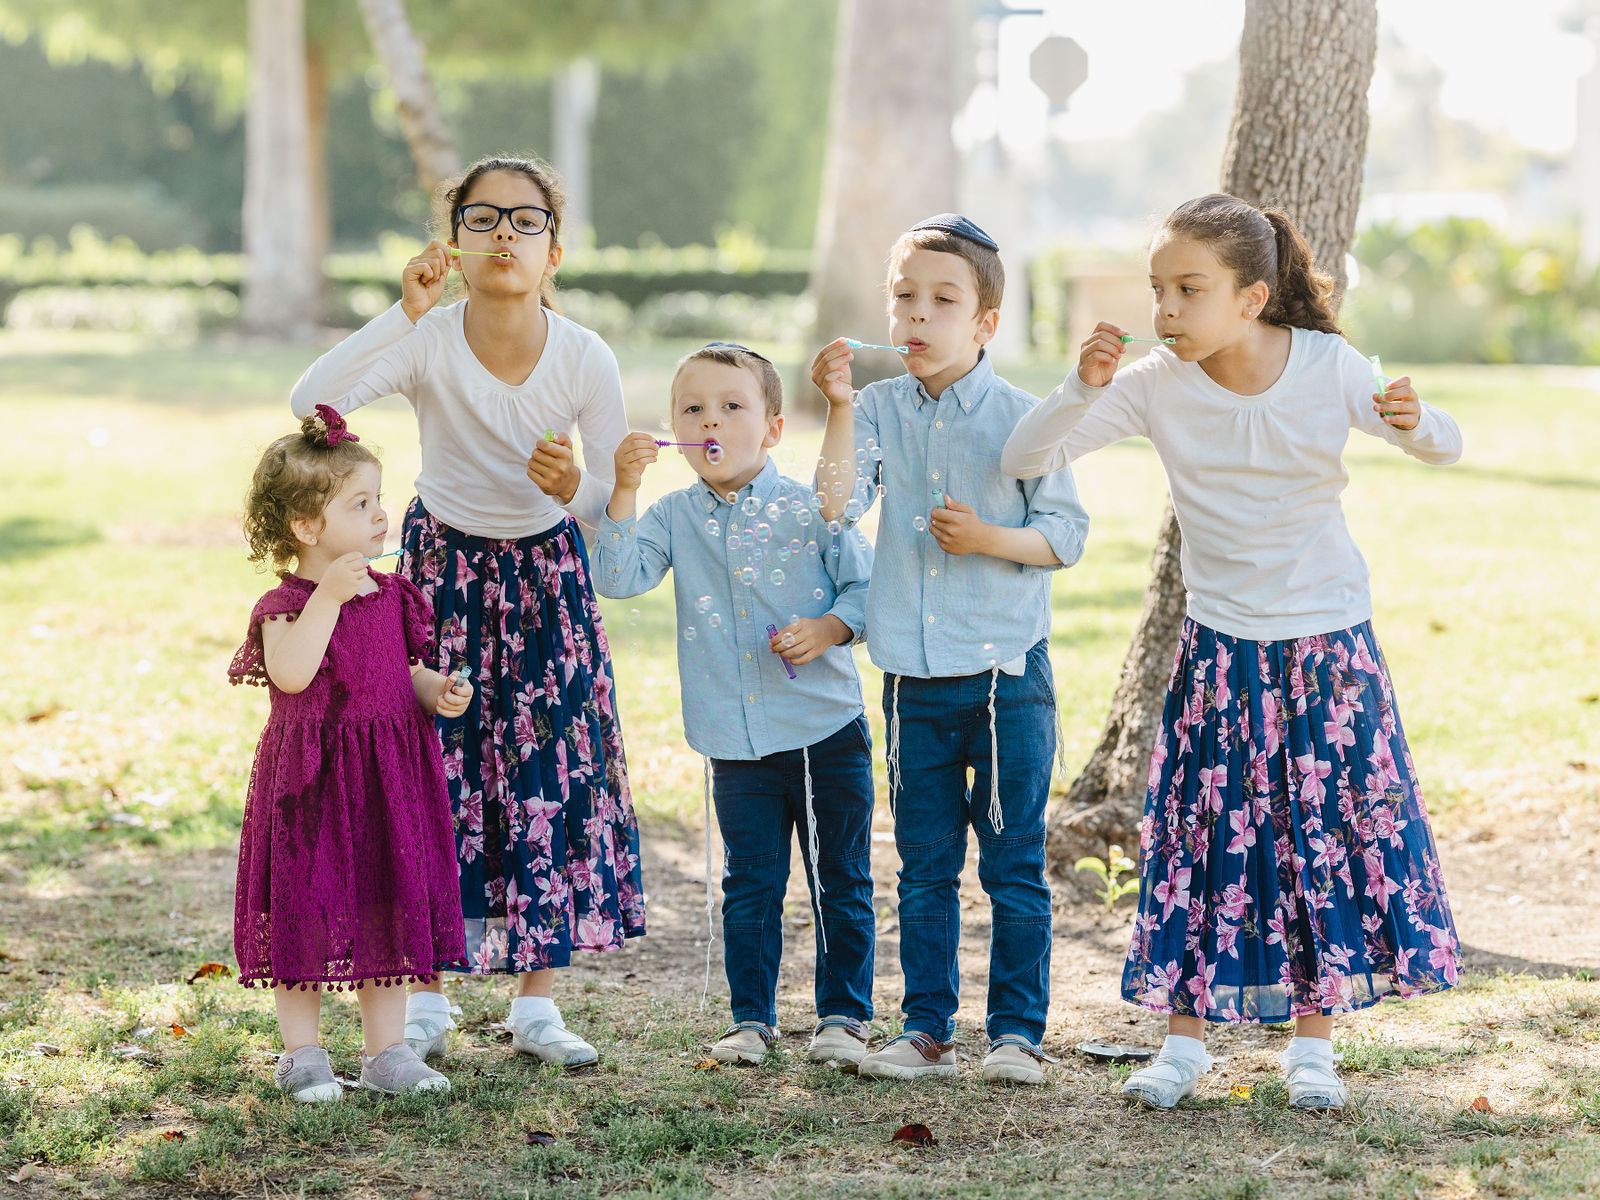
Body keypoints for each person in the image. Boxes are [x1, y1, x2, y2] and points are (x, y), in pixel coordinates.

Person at [1001, 193, 1464, 1109]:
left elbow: (1445, 446)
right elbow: (1025, 456)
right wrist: (1081, 387)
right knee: (1204, 843)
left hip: (1328, 645)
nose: (1164, 310)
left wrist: (1414, 420)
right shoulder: (1150, 383)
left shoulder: (1329, 366)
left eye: (1188, 289)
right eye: (1157, 290)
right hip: (1222, 651)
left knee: (1317, 841)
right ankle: (1182, 1046)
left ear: (1251, 299)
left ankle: (1313, 1050)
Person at [289, 155, 645, 1070]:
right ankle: (425, 998)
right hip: (440, 575)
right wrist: (401, 312)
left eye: (525, 222)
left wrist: (580, 487)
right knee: (430, 773)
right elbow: (312, 404)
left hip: (545, 583)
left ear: (554, 251)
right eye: (482, 219)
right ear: (454, 241)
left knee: (551, 777)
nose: (503, 237)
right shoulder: (429, 337)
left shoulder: (583, 356)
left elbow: (611, 506)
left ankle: (537, 1002)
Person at [809, 214, 1090, 1085]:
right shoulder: (882, 409)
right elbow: (834, 506)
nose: (917, 318)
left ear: (986, 322)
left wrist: (989, 538)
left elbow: (1066, 535)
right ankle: (926, 1028)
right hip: (914, 686)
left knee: (1012, 866)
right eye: (904, 298)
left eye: (942, 300)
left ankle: (1016, 1034)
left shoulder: (1022, 418)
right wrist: (840, 407)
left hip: (1008, 679)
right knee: (924, 870)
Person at [594, 342, 878, 1068]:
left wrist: (827, 629)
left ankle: (843, 1016)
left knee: (837, 879)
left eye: (731, 406)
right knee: (749, 883)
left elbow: (865, 590)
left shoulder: (813, 506)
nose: (710, 420)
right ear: (674, 429)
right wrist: (620, 491)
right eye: (693, 408)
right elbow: (619, 577)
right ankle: (751, 1020)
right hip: (736, 742)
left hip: (823, 730)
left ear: (774, 428)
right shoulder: (670, 515)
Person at [230, 406, 470, 1100]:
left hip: (386, 778)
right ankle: (302, 1053)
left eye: (378, 499)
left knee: (384, 905)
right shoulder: (286, 604)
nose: (379, 515)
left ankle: (386, 1052)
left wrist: (436, 691)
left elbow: (405, 671)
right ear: (307, 526)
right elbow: (293, 675)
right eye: (360, 503)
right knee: (306, 904)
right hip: (312, 785)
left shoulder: (393, 596)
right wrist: (328, 599)